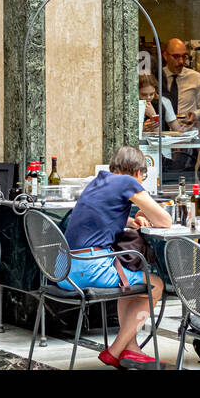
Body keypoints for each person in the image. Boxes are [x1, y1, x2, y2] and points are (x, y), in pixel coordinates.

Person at [60, 145, 171, 368]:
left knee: (128, 284)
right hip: (91, 268)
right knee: (156, 285)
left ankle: (132, 350)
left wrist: (131, 220)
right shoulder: (127, 183)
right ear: (138, 172)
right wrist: (144, 212)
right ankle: (116, 349)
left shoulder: (97, 181)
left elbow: (102, 218)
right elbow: (165, 221)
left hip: (64, 270)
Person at [161, 38, 200, 131]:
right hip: (163, 135)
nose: (181, 61)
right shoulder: (159, 77)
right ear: (165, 55)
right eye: (176, 56)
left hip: (188, 133)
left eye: (184, 56)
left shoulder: (196, 78)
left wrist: (196, 115)